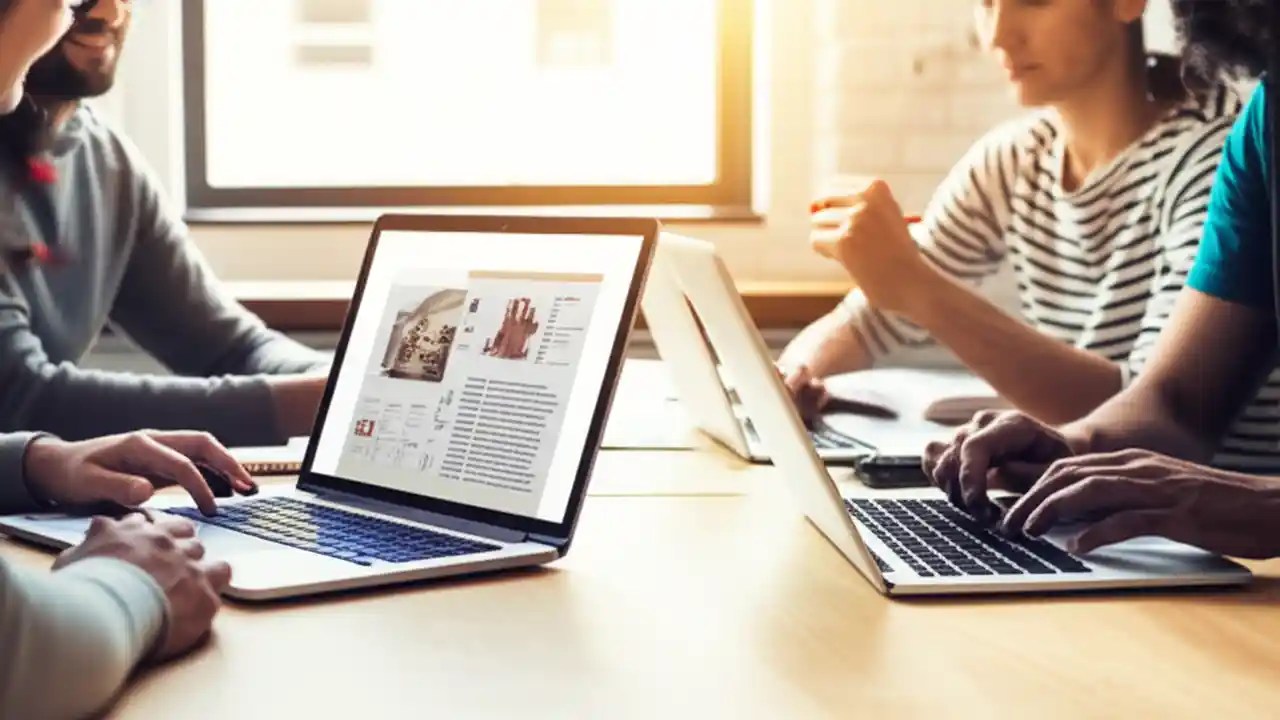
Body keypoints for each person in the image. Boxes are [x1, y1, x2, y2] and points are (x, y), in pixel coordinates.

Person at [780, 0, 1280, 471]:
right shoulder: (1014, 159)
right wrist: (794, 377)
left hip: (1220, 535)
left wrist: (918, 289)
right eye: (986, 3)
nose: (998, 35)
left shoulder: (1213, 157)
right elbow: (868, 322)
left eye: (1034, 1)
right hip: (1100, 501)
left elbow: (1151, 412)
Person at [924, 0, 1279, 558]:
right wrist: (1069, 444)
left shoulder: (1201, 146)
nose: (998, 33)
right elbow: (1175, 401)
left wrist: (1265, 504)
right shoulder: (1265, 123)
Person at [0, 3, 245, 716]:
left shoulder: (104, 157)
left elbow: (222, 338)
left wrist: (34, 462)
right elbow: (27, 659)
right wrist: (134, 583)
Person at [0, 0, 330, 448]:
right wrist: (303, 406)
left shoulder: (106, 157)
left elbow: (227, 346)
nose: (112, 14)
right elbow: (22, 398)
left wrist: (333, 382)